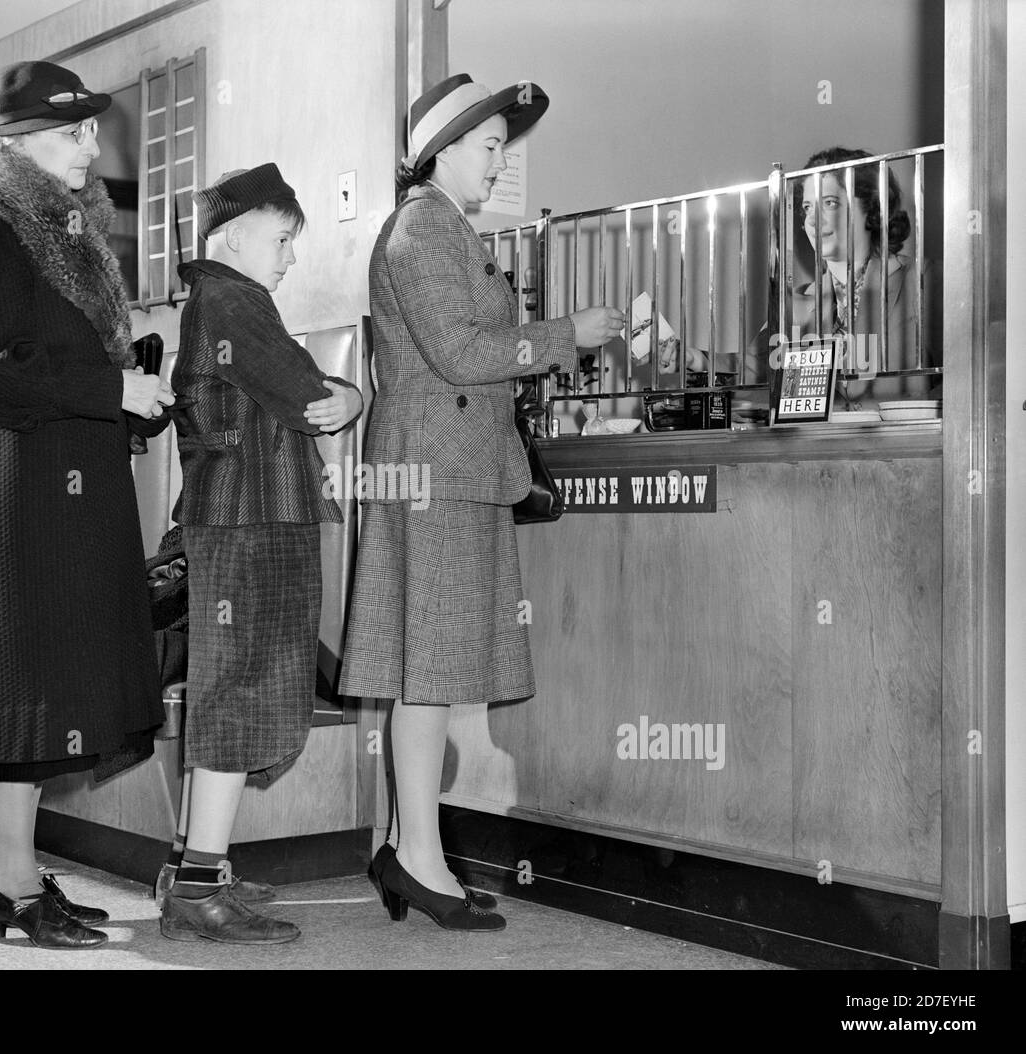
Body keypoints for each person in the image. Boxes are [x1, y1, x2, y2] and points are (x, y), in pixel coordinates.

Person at [338, 74, 623, 931]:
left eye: (504, 145)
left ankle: (405, 846)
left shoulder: (441, 228)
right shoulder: (424, 229)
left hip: (442, 466)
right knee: (429, 671)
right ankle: (418, 858)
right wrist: (567, 335)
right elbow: (463, 354)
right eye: (491, 145)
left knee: (428, 670)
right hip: (439, 471)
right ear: (443, 149)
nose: (502, 162)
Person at [0, 61, 174, 948]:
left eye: (89, 128)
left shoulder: (59, 235)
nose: (91, 145)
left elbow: (58, 360)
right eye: (72, 131)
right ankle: (9, 882)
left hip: (74, 489)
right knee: (29, 685)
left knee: (55, 684)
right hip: (30, 500)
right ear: (17, 144)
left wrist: (128, 391)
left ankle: (20, 875)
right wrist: (114, 388)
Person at [158, 164, 363, 945]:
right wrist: (352, 395)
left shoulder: (213, 299)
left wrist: (343, 398)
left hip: (236, 520)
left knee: (229, 686)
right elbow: (308, 394)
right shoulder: (236, 299)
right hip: (253, 524)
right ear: (234, 235)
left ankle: (195, 868)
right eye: (281, 238)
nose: (289, 255)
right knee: (239, 691)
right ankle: (199, 887)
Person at [666, 146, 939, 410]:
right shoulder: (794, 303)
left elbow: (970, 373)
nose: (813, 220)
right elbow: (751, 369)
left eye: (830, 203)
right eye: (808, 207)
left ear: (871, 208)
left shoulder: (925, 280)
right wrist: (692, 358)